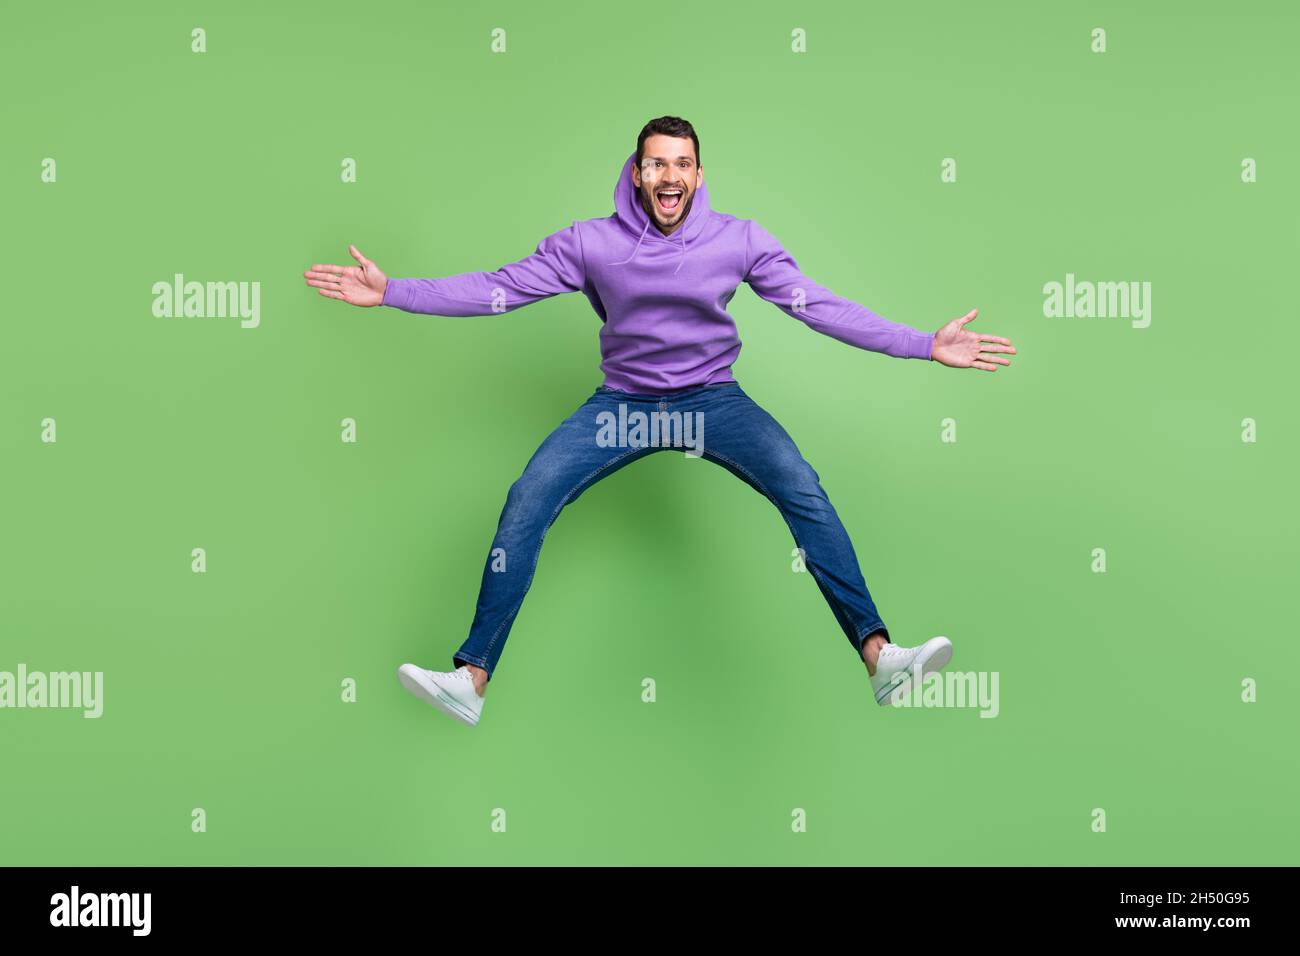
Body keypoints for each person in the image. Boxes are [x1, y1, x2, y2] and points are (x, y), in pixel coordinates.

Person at [303, 116, 1016, 727]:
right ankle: (471, 681)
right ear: (637, 173)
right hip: (624, 407)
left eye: (681, 164)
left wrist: (923, 343)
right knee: (528, 496)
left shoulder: (739, 241)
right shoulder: (590, 243)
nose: (668, 175)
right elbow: (499, 288)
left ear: (699, 175)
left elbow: (819, 307)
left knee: (801, 487)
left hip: (713, 403)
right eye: (655, 163)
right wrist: (394, 291)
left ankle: (881, 657)